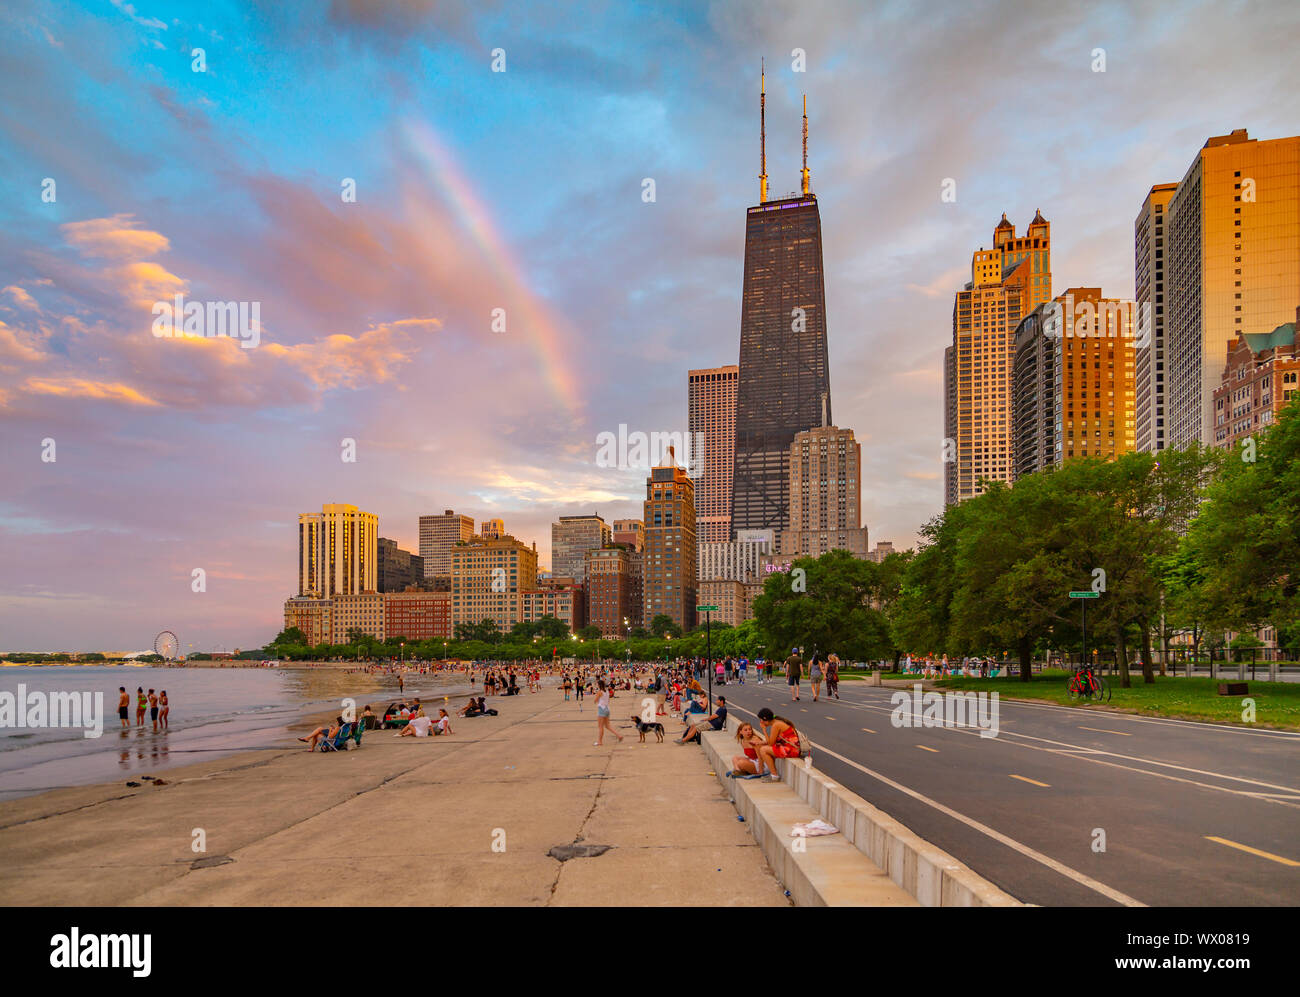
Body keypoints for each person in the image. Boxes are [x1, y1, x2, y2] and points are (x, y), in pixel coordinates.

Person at [754, 707, 800, 781]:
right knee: (761, 746)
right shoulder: (777, 722)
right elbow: (773, 741)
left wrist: (764, 730)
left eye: (761, 720)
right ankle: (767, 771)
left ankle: (774, 775)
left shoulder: (776, 725)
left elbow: (771, 744)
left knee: (763, 750)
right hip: (791, 748)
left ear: (765, 719)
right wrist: (760, 742)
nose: (761, 722)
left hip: (792, 750)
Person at [593, 680, 623, 746]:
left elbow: (595, 701)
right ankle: (619, 735)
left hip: (602, 709)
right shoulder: (606, 691)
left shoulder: (599, 692)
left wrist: (596, 695)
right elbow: (608, 700)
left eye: (597, 684)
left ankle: (599, 742)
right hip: (607, 709)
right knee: (607, 726)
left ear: (599, 685)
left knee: (600, 727)